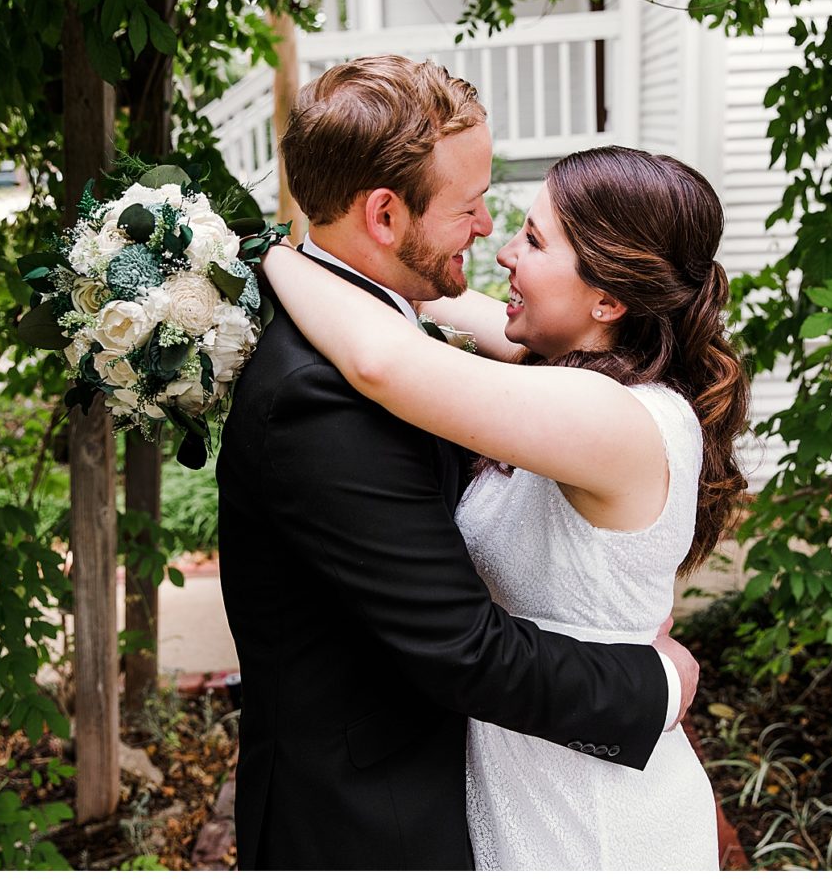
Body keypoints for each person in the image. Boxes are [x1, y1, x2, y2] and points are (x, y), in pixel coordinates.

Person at [217, 56, 702, 872]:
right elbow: (396, 343)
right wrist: (649, 685)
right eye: (475, 207)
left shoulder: (589, 404)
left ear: (607, 299)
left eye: (530, 234)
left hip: (580, 810)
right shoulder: (323, 385)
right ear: (382, 215)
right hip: (382, 819)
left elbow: (392, 351)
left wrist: (275, 254)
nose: (494, 238)